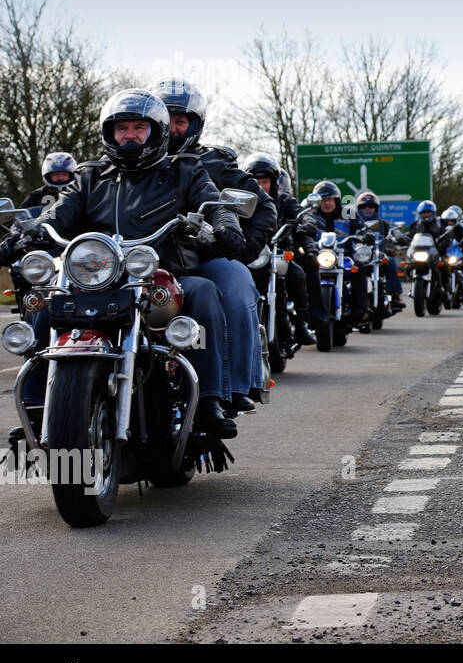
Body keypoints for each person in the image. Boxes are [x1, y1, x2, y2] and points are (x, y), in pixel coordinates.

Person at [0, 90, 241, 439]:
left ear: (155, 131)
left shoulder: (184, 170)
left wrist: (223, 225)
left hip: (160, 275)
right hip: (95, 278)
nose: (129, 135)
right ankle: (40, 406)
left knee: (203, 292)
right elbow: (57, 215)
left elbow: (213, 204)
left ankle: (207, 401)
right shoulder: (89, 176)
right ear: (109, 133)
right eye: (122, 128)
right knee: (43, 301)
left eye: (138, 127)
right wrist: (25, 235)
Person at [154, 79, 276, 413]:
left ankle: (235, 385)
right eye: (168, 119)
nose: (174, 128)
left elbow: (262, 206)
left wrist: (240, 249)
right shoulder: (126, 163)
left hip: (205, 257)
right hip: (145, 258)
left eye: (182, 121)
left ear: (195, 125)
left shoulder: (214, 164)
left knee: (236, 283)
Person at [241, 152, 320, 345]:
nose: (260, 186)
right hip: (249, 255)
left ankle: (300, 324)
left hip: (278, 255)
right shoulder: (241, 203)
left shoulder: (284, 201)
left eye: (265, 181)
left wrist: (306, 222)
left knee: (297, 274)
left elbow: (303, 214)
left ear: (274, 183)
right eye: (255, 181)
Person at [308, 180, 370, 323]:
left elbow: (362, 228)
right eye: (323, 200)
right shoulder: (311, 216)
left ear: (336, 199)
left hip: (345, 257)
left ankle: (360, 310)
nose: (326, 203)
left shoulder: (348, 213)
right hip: (318, 258)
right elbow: (303, 228)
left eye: (329, 199)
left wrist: (366, 235)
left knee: (359, 268)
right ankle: (304, 313)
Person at [354, 190, 405, 309]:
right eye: (364, 206)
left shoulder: (383, 223)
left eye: (371, 206)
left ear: (376, 208)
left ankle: (395, 295)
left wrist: (399, 236)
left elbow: (393, 231)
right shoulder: (352, 223)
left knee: (391, 261)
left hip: (377, 254)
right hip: (359, 256)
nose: (367, 209)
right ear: (358, 208)